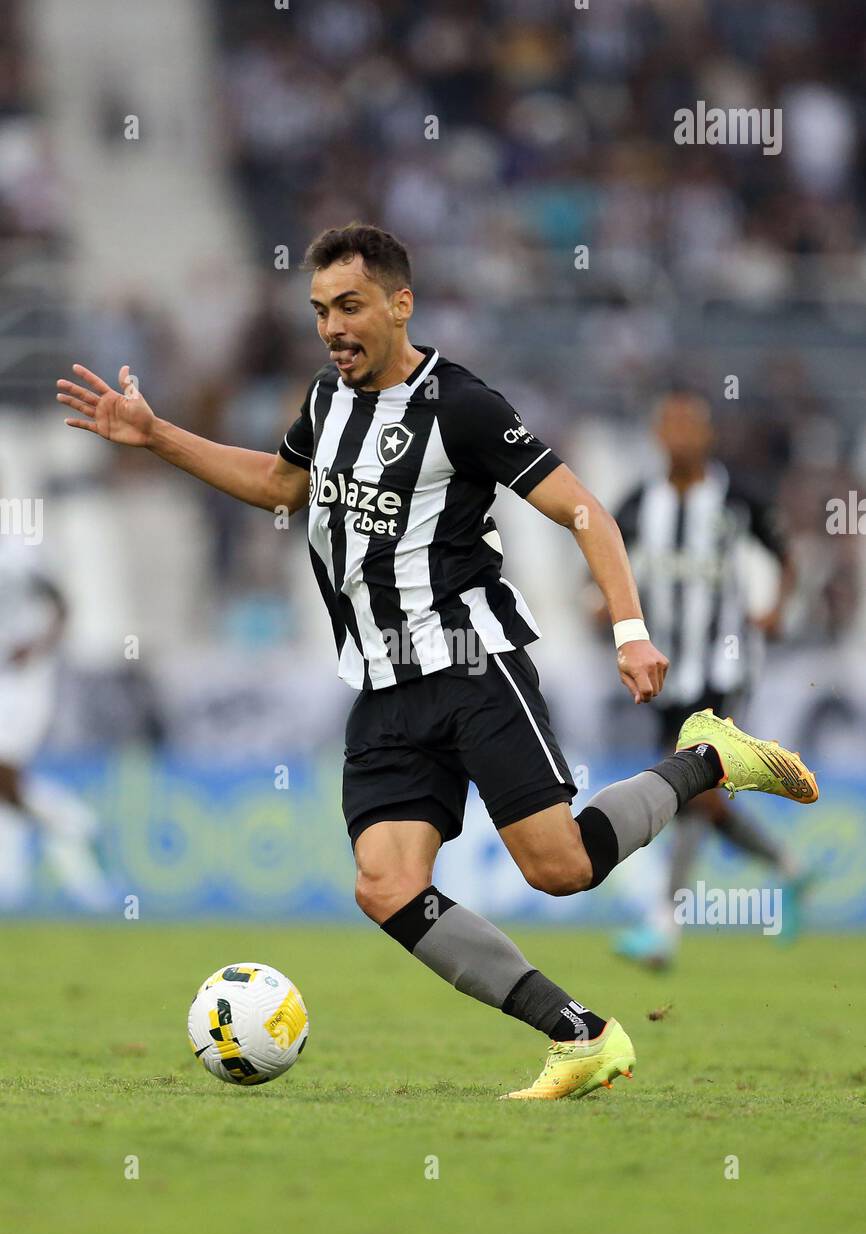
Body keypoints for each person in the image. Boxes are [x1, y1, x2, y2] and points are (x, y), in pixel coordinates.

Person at [55, 224, 818, 1100]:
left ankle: (710, 755)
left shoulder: (464, 406)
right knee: (384, 886)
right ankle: (582, 1036)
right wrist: (157, 435)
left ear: (398, 303)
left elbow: (586, 514)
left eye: (349, 307)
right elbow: (277, 485)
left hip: (471, 667)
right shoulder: (324, 401)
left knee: (560, 868)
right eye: (318, 312)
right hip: (380, 686)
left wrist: (630, 630)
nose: (333, 327)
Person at [611, 390, 812, 967]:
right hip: (664, 670)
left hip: (724, 666)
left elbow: (785, 550)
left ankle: (662, 926)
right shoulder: (640, 500)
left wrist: (776, 607)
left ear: (707, 435)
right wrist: (604, 604)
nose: (677, 436)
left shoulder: (737, 498)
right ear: (656, 436)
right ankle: (788, 867)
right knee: (691, 794)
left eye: (687, 426)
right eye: (667, 425)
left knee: (690, 786)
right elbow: (607, 551)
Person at [0, 528, 112, 911]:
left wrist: (37, 648)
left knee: (6, 775)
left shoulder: (20, 551)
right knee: (6, 789)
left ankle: (74, 824)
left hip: (24, 681)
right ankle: (73, 823)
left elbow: (63, 604)